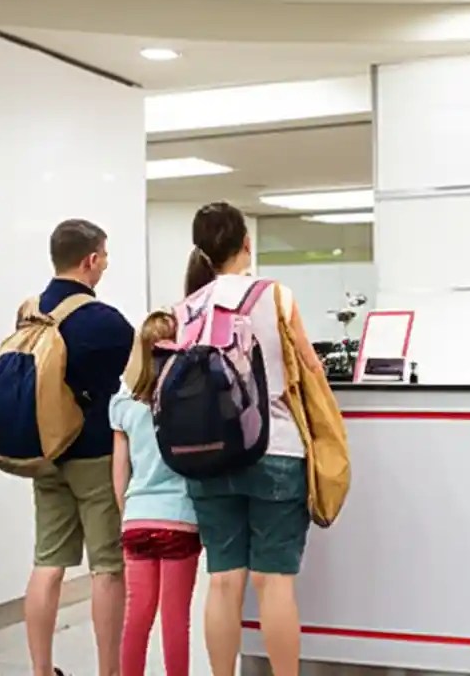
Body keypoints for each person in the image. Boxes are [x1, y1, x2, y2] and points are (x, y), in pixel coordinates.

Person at [181, 201, 323, 676]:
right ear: (247, 243)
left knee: (223, 583)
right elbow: (310, 369)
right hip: (276, 448)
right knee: (273, 583)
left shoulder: (187, 307)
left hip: (208, 456)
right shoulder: (276, 296)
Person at [27, 219, 135, 676]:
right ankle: (109, 671)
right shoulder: (104, 321)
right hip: (94, 455)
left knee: (47, 564)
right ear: (91, 260)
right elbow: (142, 376)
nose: (105, 265)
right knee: (107, 567)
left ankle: (41, 670)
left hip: (43, 454)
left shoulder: (29, 312)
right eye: (105, 256)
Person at [111, 311, 201, 676]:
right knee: (175, 619)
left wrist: (126, 512)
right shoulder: (191, 400)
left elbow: (120, 471)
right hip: (179, 518)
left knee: (137, 615)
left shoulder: (124, 402)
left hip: (136, 519)